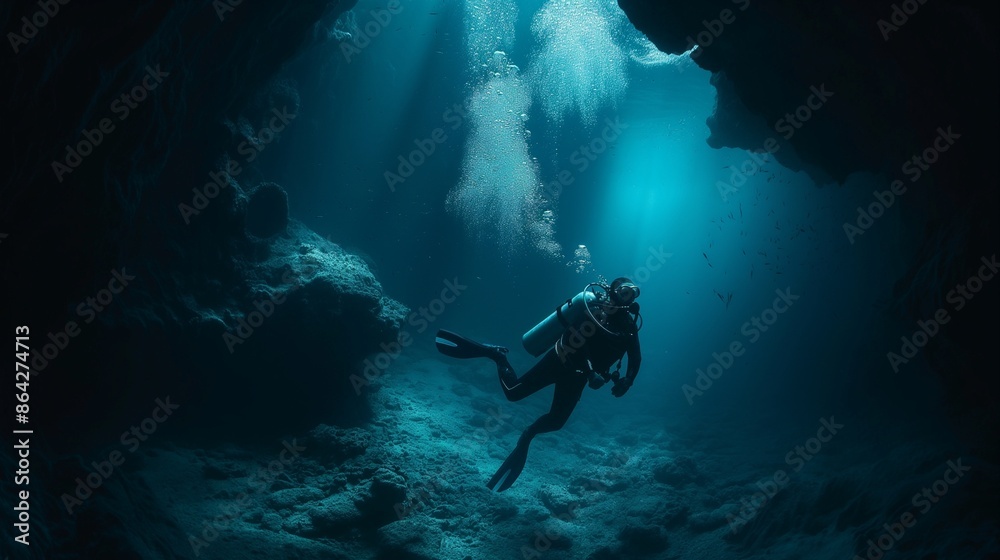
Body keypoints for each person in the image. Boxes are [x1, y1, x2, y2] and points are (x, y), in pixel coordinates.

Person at [435, 277, 642, 491]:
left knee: (556, 422)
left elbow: (635, 356)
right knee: (513, 392)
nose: (628, 297)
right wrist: (591, 373)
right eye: (624, 292)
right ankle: (496, 355)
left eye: (632, 294)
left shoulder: (628, 326)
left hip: (577, 377)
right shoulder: (594, 310)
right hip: (559, 361)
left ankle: (529, 433)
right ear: (613, 291)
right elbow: (574, 339)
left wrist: (628, 380)